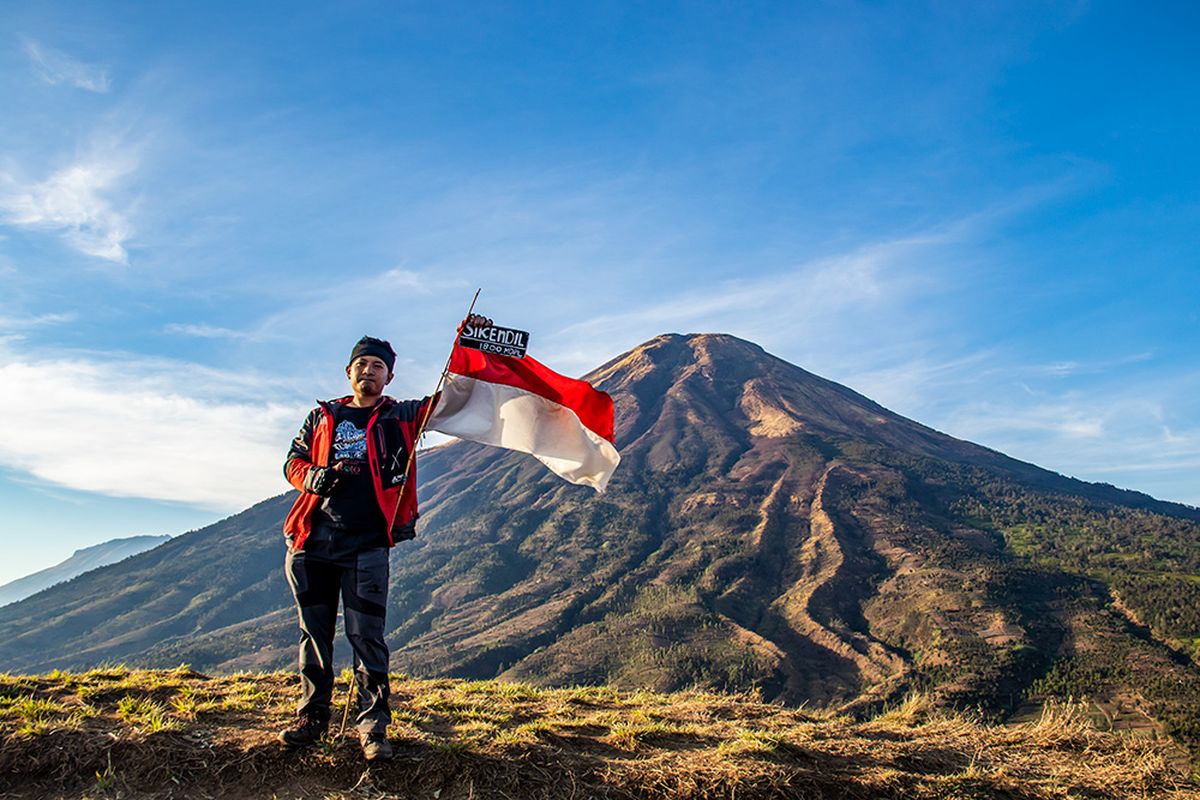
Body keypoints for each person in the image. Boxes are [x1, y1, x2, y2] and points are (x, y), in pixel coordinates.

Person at [277, 320, 486, 761]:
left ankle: (373, 728)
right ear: (348, 372)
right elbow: (293, 462)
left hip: (367, 546)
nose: (368, 371)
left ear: (389, 376)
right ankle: (311, 718)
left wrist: (465, 342)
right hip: (312, 542)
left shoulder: (403, 416)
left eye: (377, 366)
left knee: (366, 637)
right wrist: (312, 477)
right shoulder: (321, 417)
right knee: (313, 635)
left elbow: (450, 400)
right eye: (361, 364)